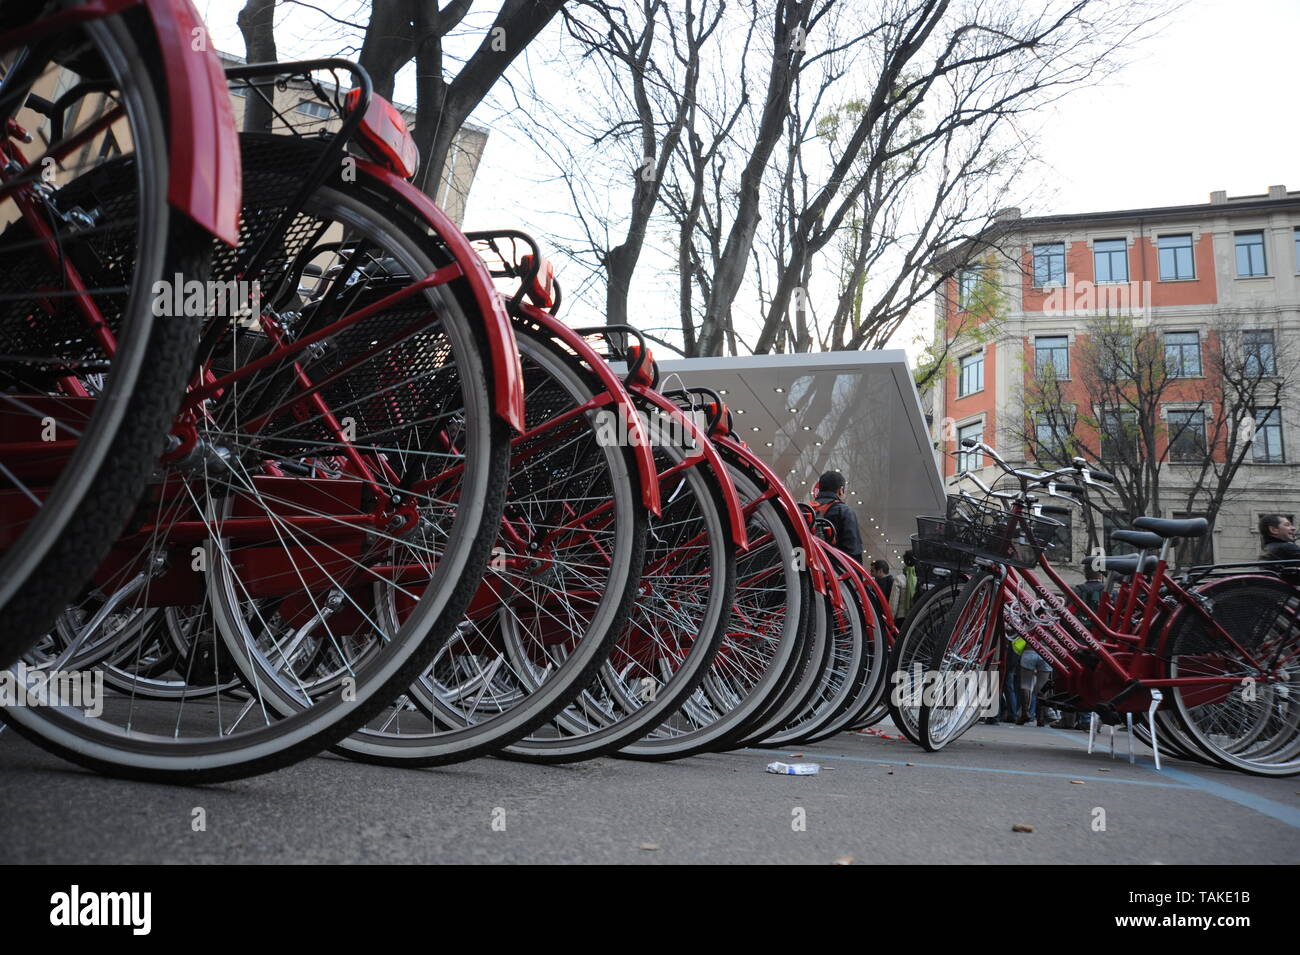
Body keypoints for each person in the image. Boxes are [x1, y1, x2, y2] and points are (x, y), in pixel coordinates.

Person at [810, 470, 863, 564]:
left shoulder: (804, 509)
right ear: (841, 490)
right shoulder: (844, 511)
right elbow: (853, 552)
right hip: (829, 572)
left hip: (800, 570)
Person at [1018, 648, 1052, 726]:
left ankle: (1024, 713)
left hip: (1030, 651)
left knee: (1025, 684)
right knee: (1042, 686)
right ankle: (1040, 717)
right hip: (1047, 653)